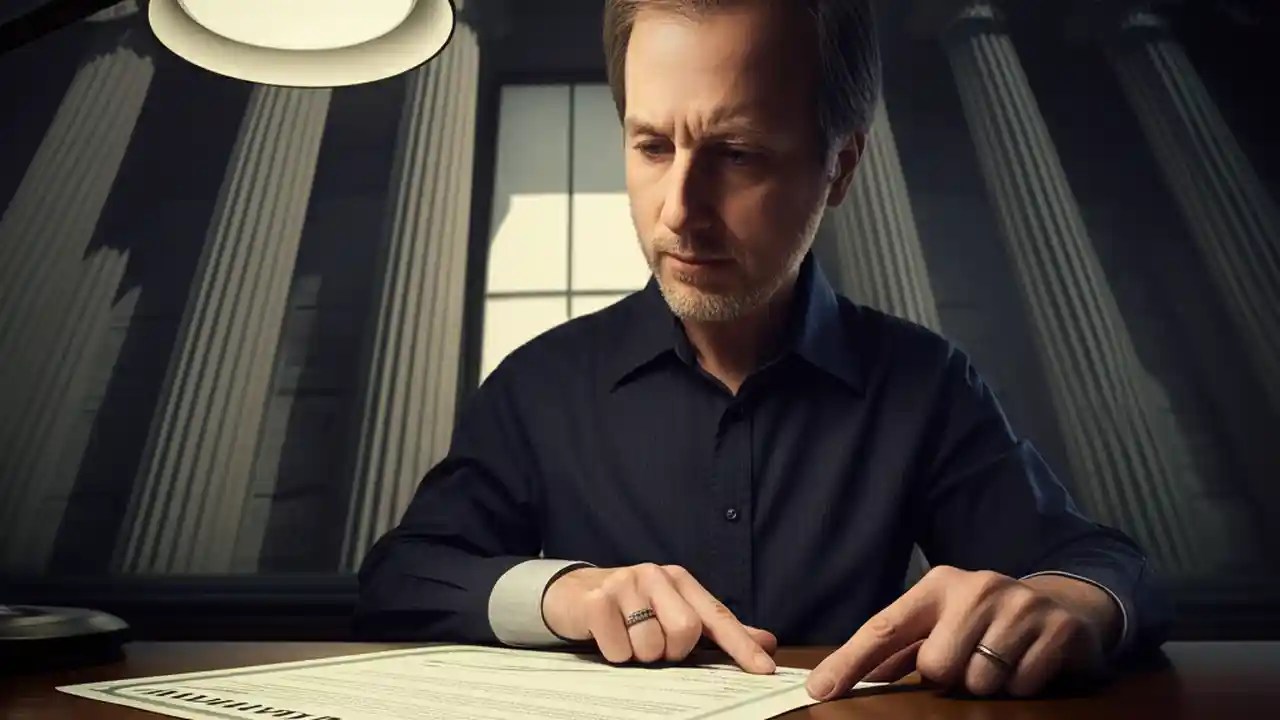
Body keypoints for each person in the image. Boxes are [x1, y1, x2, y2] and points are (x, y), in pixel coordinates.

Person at [356, 0, 1172, 702]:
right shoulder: (538, 383)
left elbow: (1099, 563)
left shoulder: (923, 383)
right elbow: (401, 578)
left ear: (840, 167)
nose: (678, 211)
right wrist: (567, 593)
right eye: (650, 147)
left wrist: (1067, 602)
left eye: (737, 154)